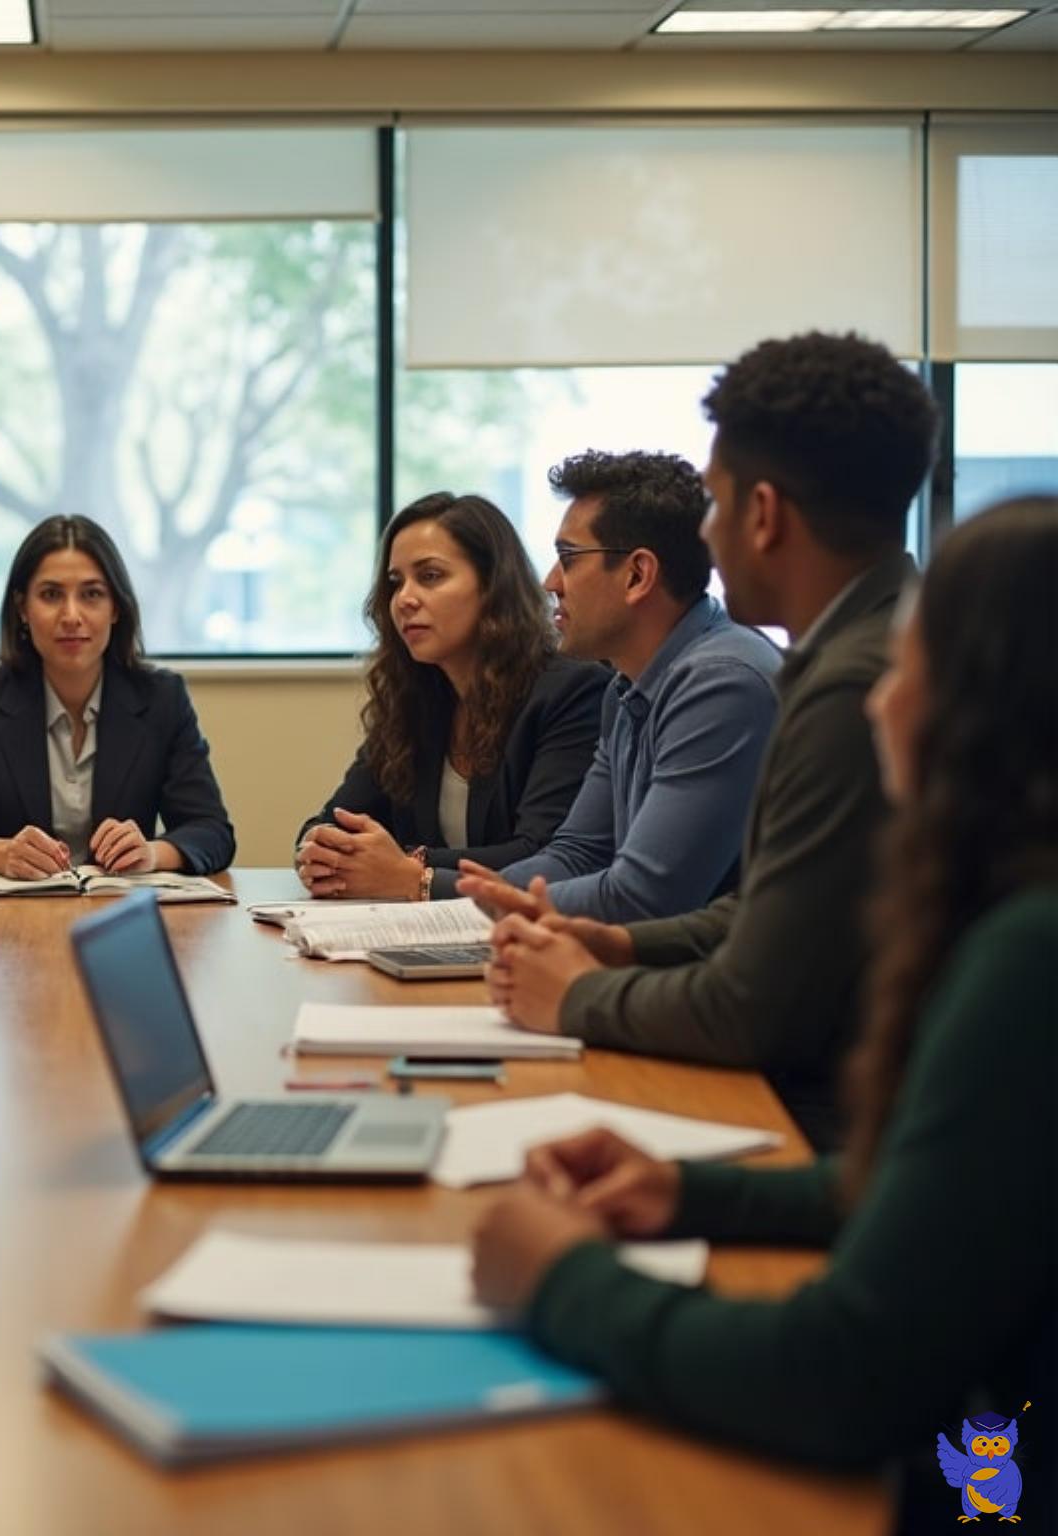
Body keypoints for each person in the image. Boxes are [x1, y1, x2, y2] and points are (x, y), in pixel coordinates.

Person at [471, 496, 1056, 1525]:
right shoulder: (1007, 914)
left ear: (988, 708)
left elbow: (833, 1375)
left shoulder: (1028, 955)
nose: (878, 703)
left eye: (910, 670)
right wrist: (686, 1195)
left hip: (994, 1487)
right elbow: (928, 1190)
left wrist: (561, 1279)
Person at [479, 332, 937, 1147]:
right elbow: (764, 915)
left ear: (762, 516)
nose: (710, 539)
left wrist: (575, 994)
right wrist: (614, 943)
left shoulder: (853, 687)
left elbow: (755, 1007)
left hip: (833, 1119)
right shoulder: (867, 648)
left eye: (718, 505)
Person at [456, 450, 781, 922]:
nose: (550, 582)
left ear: (637, 575)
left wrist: (496, 905)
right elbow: (577, 855)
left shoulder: (722, 683)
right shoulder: (626, 685)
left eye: (568, 558)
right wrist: (467, 903)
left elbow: (644, 897)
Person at [295, 492, 605, 901]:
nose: (404, 599)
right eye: (395, 582)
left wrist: (404, 868)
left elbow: (545, 855)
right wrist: (319, 848)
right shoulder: (415, 699)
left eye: (430, 576)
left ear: (492, 586)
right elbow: (331, 820)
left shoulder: (571, 691)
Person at [0, 515, 236, 880]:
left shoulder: (162, 699)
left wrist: (151, 854)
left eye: (92, 594)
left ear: (115, 608)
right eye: (51, 595)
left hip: (118, 918)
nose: (71, 616)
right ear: (22, 609)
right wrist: (1, 854)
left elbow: (212, 832)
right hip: (10, 922)